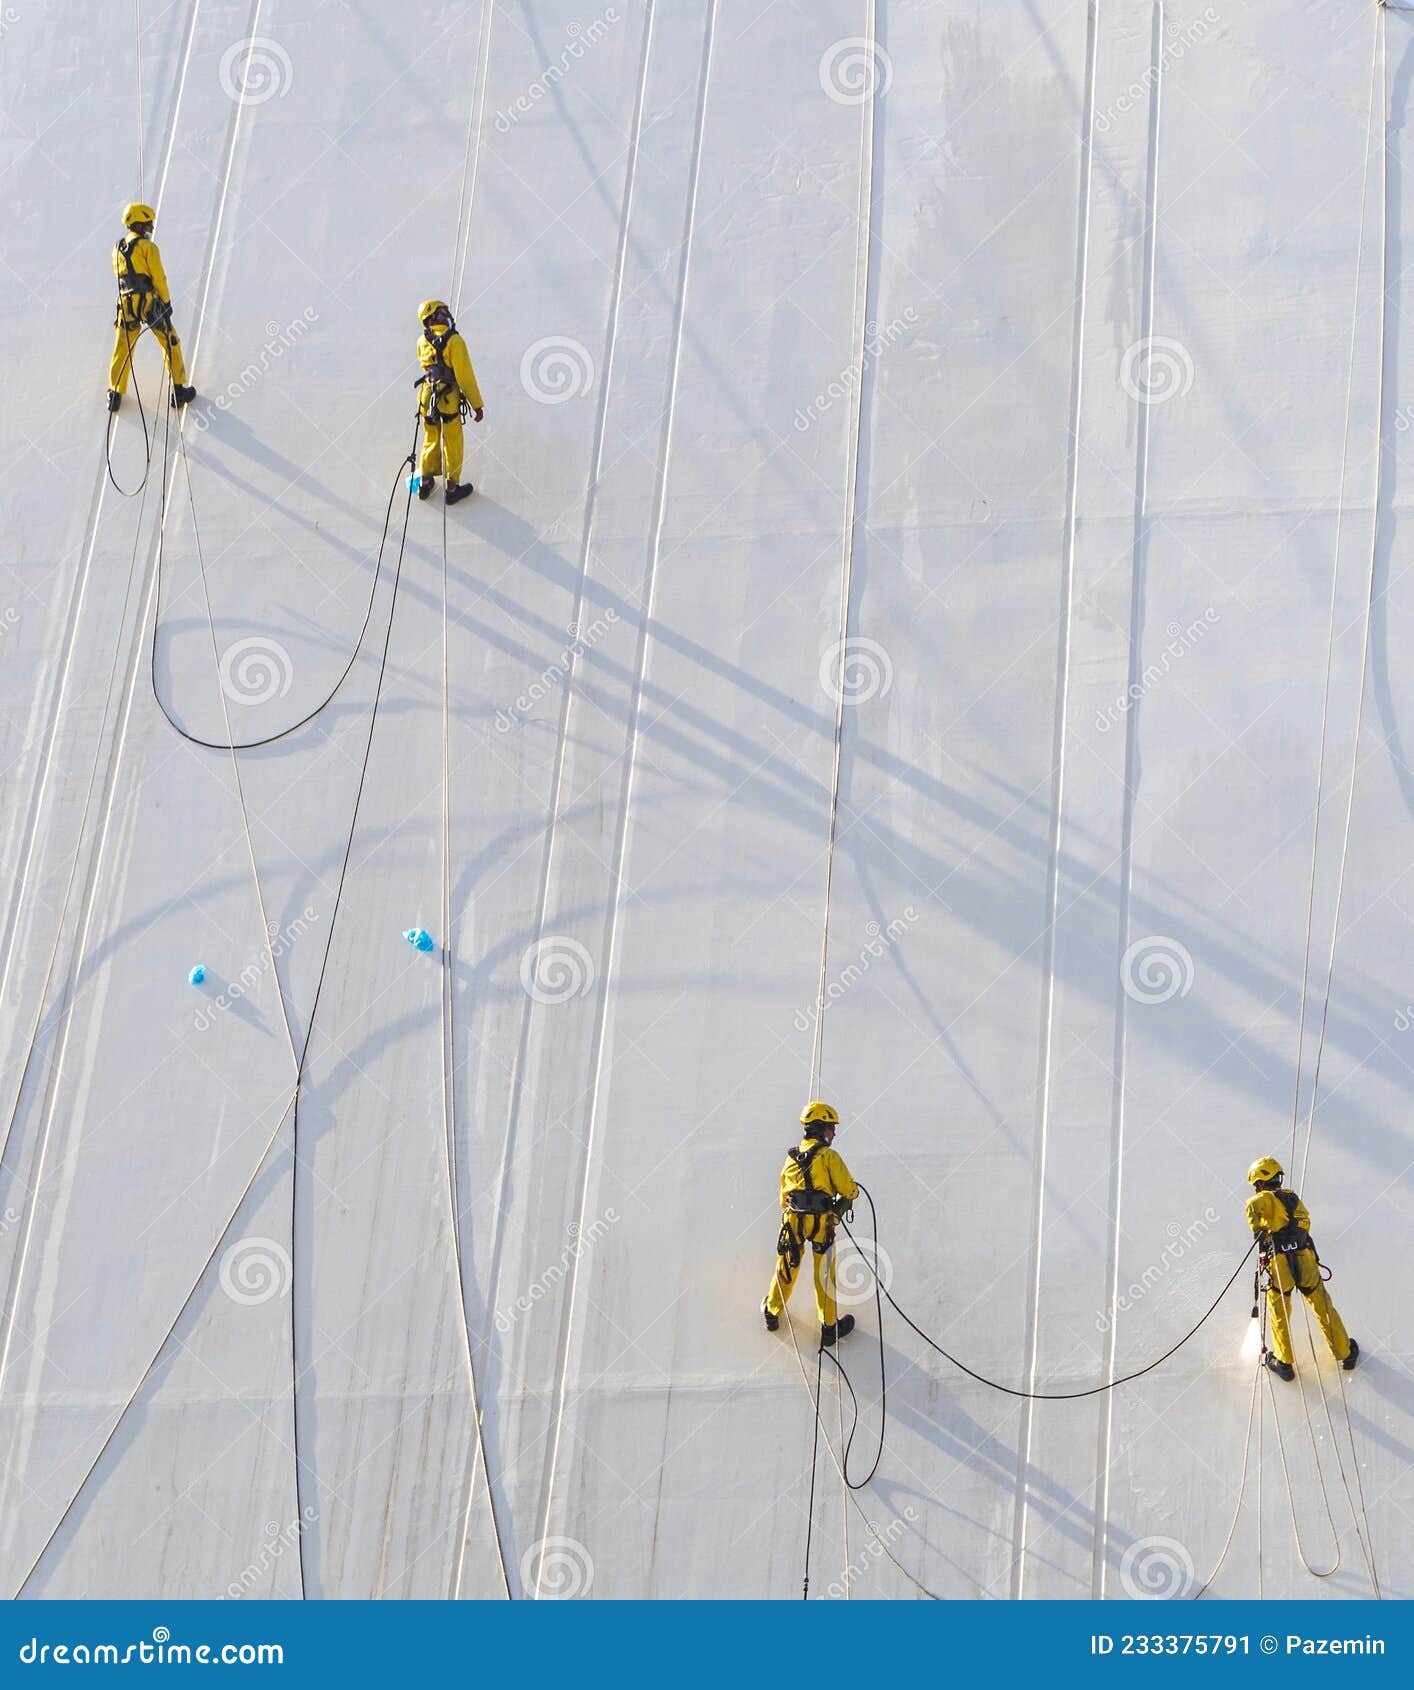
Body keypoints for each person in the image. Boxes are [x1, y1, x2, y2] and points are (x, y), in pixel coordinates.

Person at [1246, 1156, 1358, 1381]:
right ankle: (1344, 1351)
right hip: (1304, 1257)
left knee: (1279, 1307)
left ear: (1261, 1180)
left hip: (1281, 1263)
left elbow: (1255, 1204)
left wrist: (1258, 1229)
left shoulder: (1265, 1198)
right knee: (1322, 1303)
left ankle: (1284, 1362)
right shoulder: (1291, 1198)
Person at [762, 1102, 860, 1347]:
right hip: (821, 1224)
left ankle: (772, 1312)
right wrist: (845, 1200)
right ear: (820, 1128)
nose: (834, 1134)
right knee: (825, 1274)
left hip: (793, 1220)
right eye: (831, 1128)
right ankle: (829, 1328)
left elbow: (783, 1198)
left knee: (787, 1267)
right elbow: (849, 1189)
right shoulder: (829, 1156)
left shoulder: (790, 1158)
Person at [108, 202, 195, 411]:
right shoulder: (149, 248)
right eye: (148, 225)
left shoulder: (117, 248)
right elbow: (159, 277)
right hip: (148, 303)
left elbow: (119, 276)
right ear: (138, 225)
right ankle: (179, 390)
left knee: (123, 346)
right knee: (170, 340)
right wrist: (165, 302)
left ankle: (115, 393)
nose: (151, 229)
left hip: (126, 304)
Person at [414, 299, 484, 504]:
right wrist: (476, 404)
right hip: (447, 399)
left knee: (430, 437)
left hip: (427, 398)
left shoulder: (421, 341)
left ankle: (425, 482)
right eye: (443, 311)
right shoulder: (455, 341)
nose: (447, 315)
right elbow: (465, 376)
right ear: (433, 317)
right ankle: (452, 487)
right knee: (453, 440)